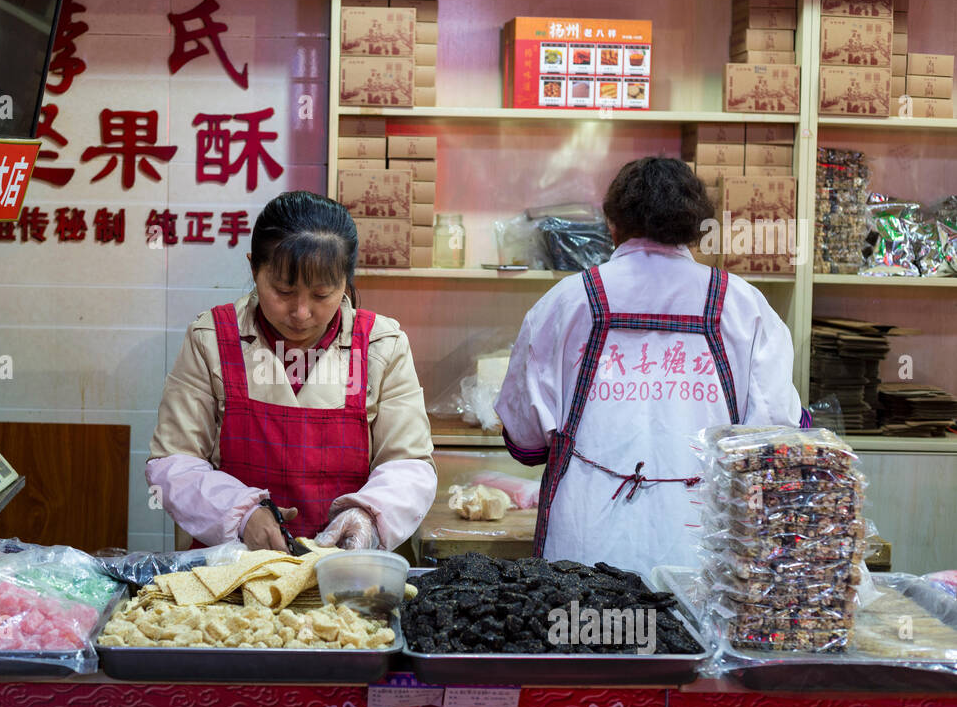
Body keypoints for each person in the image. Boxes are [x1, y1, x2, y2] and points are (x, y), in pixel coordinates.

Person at [494, 156, 808, 576]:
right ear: (697, 228)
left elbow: (525, 441)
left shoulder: (566, 303)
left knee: (588, 635)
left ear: (611, 223)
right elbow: (773, 439)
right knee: (695, 637)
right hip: (703, 544)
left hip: (585, 544)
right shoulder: (745, 306)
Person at [147, 190, 437, 553]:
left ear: (346, 281)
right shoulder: (212, 338)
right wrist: (240, 515)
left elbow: (409, 464)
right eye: (283, 291)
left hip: (344, 573)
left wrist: (368, 516)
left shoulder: (382, 345)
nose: (300, 313)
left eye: (321, 294)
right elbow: (174, 461)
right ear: (254, 268)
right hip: (231, 570)